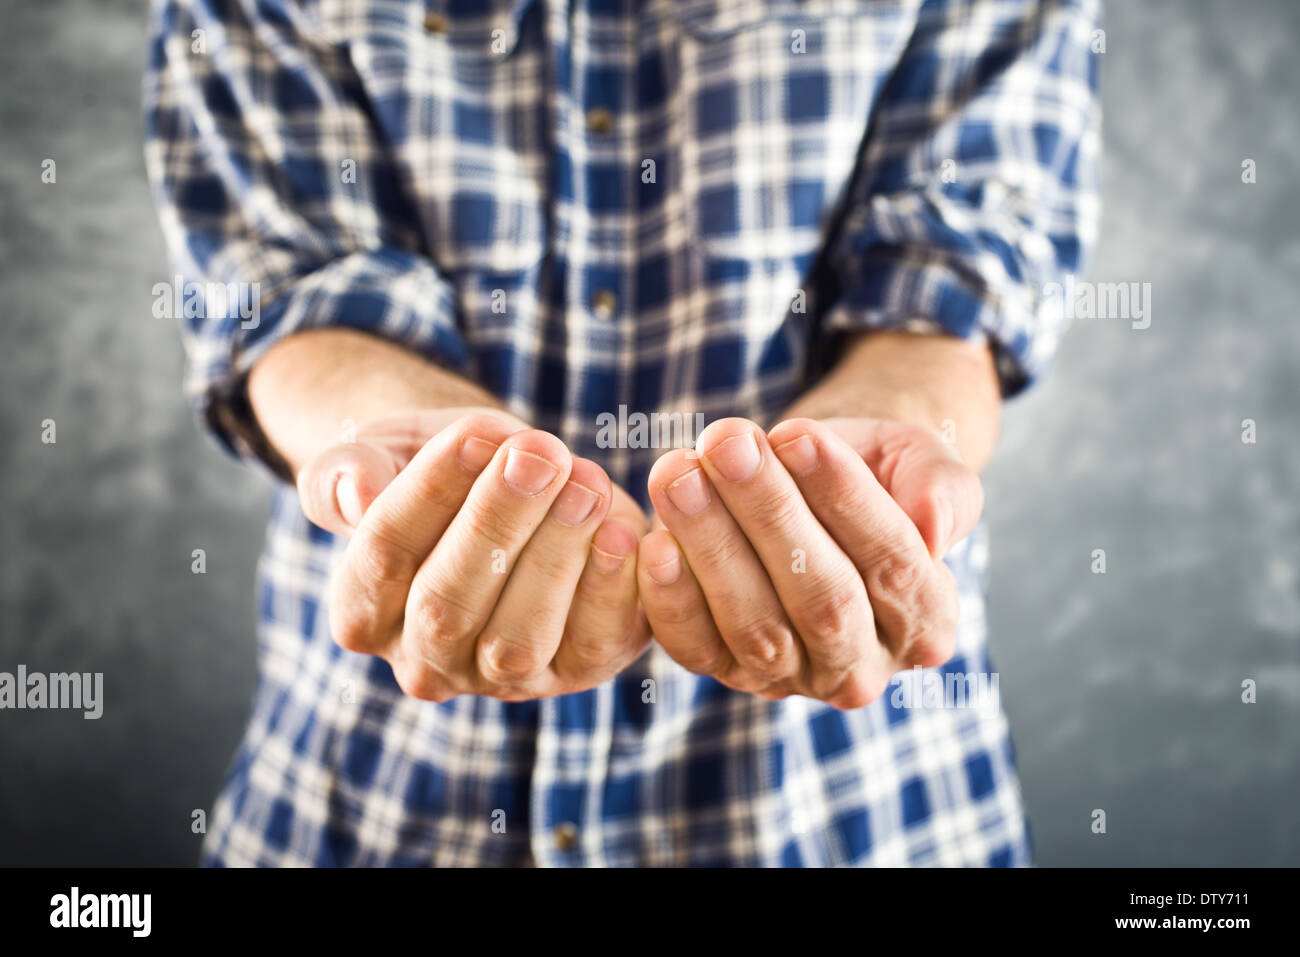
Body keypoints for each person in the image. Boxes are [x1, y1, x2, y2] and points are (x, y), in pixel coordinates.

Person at [143, 0, 1099, 866]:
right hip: (376, 797)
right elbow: (291, 290)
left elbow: (946, 292)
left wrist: (884, 448)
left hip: (854, 809)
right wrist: (392, 449)